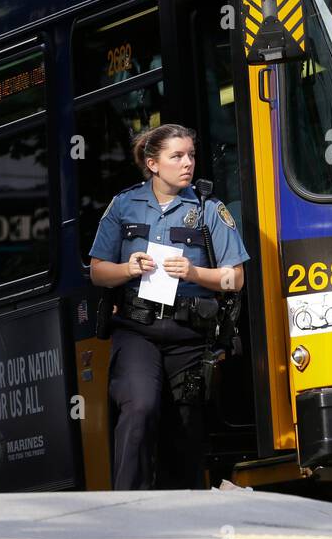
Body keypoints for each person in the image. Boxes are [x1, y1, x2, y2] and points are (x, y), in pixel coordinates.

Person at [89, 123, 250, 490]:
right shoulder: (124, 204)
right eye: (176, 156)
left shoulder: (210, 209)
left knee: (185, 430)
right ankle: (128, 506)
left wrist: (196, 272)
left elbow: (235, 280)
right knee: (140, 407)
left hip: (189, 337)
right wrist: (127, 268)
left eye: (191, 155)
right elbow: (98, 273)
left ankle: (180, 516)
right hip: (137, 331)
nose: (187, 163)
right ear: (153, 163)